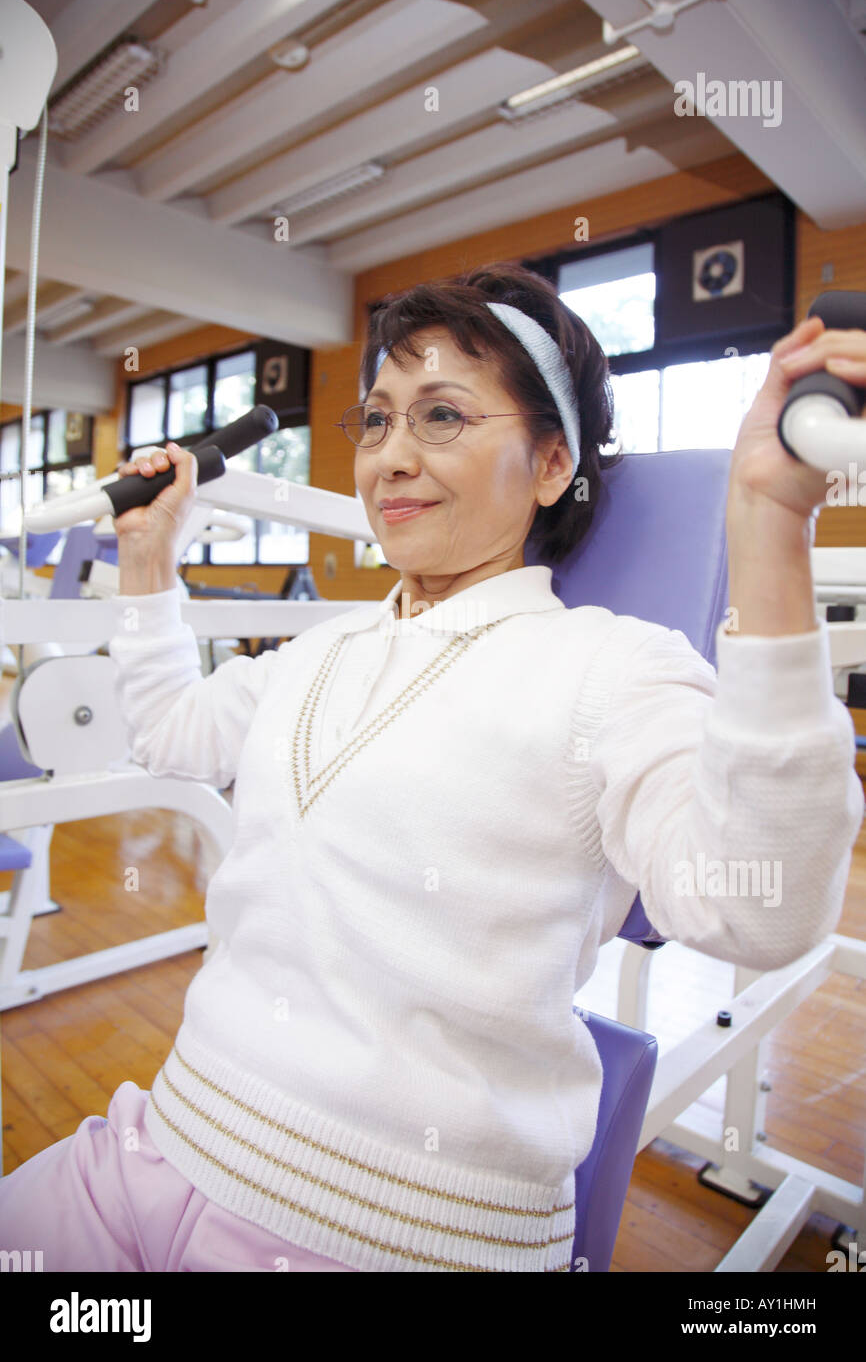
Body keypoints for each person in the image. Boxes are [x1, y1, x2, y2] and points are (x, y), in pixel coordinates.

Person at [0, 263, 863, 1273]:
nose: (389, 458)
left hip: (384, 1233)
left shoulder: (609, 664)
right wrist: (149, 560)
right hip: (150, 1149)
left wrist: (768, 523)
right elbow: (174, 733)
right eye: (375, 421)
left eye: (441, 416)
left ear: (550, 464)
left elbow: (753, 911)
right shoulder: (324, 649)